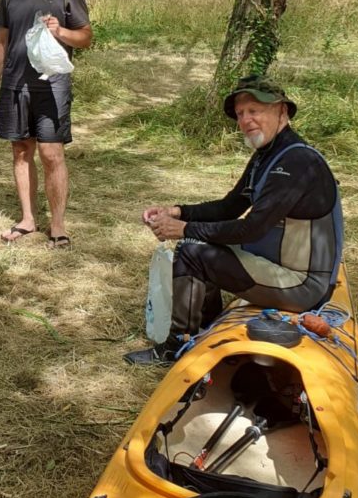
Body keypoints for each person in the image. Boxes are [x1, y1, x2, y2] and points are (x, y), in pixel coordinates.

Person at [124, 74, 344, 366]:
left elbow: (252, 229)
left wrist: (184, 229)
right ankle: (210, 330)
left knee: (192, 252)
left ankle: (176, 346)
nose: (245, 120)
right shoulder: (269, 155)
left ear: (282, 111)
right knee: (199, 243)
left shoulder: (296, 162)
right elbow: (229, 207)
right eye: (240, 114)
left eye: (255, 110)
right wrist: (178, 211)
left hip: (301, 285)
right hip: (281, 270)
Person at [0, 0, 92, 248]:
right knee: (20, 151)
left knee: (51, 153)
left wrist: (62, 33)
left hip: (51, 84)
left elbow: (86, 37)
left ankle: (57, 226)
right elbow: (1, 40)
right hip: (15, 84)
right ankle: (28, 219)